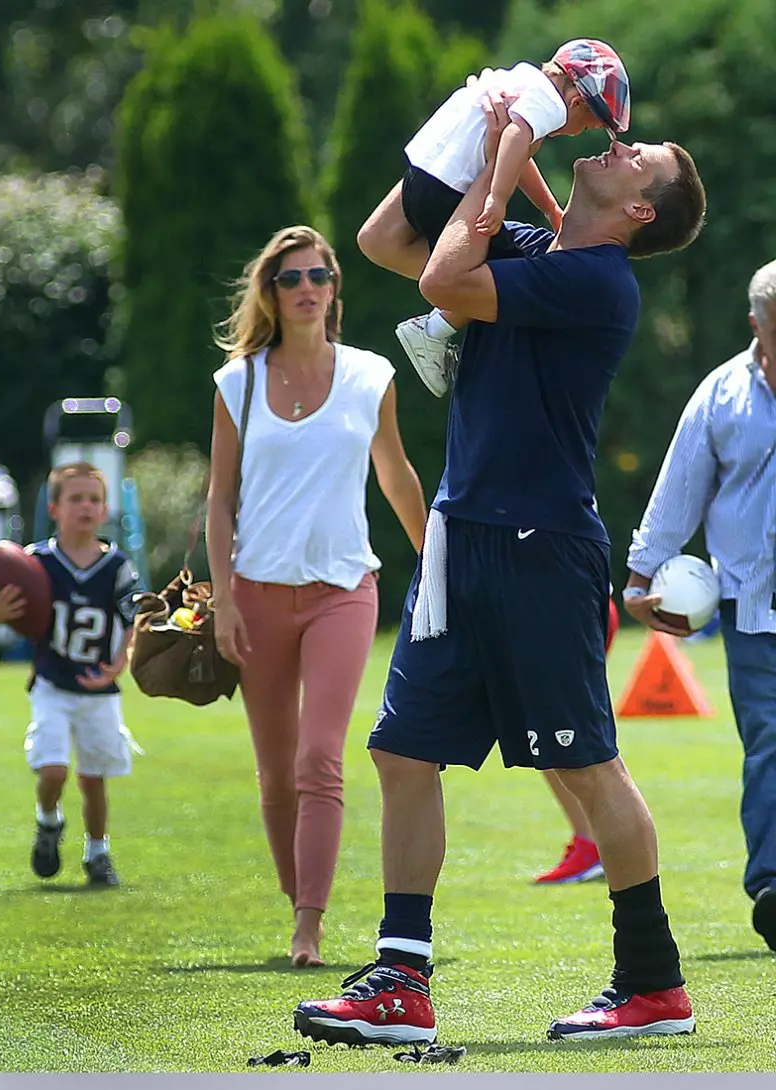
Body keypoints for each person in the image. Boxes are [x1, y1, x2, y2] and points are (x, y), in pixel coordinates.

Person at [294, 103, 706, 1044]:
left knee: (589, 766)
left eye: (637, 156)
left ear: (641, 211)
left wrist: (518, 141)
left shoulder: (599, 282)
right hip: (463, 536)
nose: (617, 146)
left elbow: (444, 276)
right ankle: (402, 979)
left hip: (538, 547)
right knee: (402, 752)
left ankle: (653, 984)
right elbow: (384, 237)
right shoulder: (542, 250)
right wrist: (483, 126)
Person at [205, 225, 427, 969]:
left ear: (335, 289)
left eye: (319, 276)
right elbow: (218, 497)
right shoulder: (237, 380)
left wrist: (438, 562)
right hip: (256, 595)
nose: (307, 289)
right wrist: (225, 600)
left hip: (343, 589)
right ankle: (296, 894)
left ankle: (310, 925)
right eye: (291, 278)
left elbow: (395, 475)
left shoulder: (370, 375)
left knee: (320, 758)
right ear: (270, 292)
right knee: (275, 774)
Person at [623, 258, 776, 954]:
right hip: (753, 609)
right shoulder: (722, 396)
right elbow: (678, 486)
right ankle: (773, 886)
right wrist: (639, 575)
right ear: (757, 327)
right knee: (769, 744)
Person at [357, 39, 630, 398]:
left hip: (423, 175)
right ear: (577, 102)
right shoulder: (551, 104)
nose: (579, 132)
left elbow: (515, 154)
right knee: (506, 272)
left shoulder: (519, 79)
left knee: (483, 271)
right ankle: (432, 330)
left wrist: (550, 208)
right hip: (448, 192)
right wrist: (497, 199)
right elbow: (514, 140)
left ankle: (446, 310)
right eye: (588, 126)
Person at [0, 462, 141, 887]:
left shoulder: (117, 565)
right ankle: (48, 820)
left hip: (98, 688)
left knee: (94, 780)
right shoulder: (36, 561)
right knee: (52, 770)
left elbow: (131, 620)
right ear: (54, 508)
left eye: (94, 499)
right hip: (52, 682)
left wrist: (120, 662)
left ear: (105, 509)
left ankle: (98, 852)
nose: (85, 507)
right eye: (75, 498)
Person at [535, 595, 619, 885]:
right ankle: (595, 843)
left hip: (563, 607)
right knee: (543, 731)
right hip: (569, 604)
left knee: (553, 732)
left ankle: (594, 846)